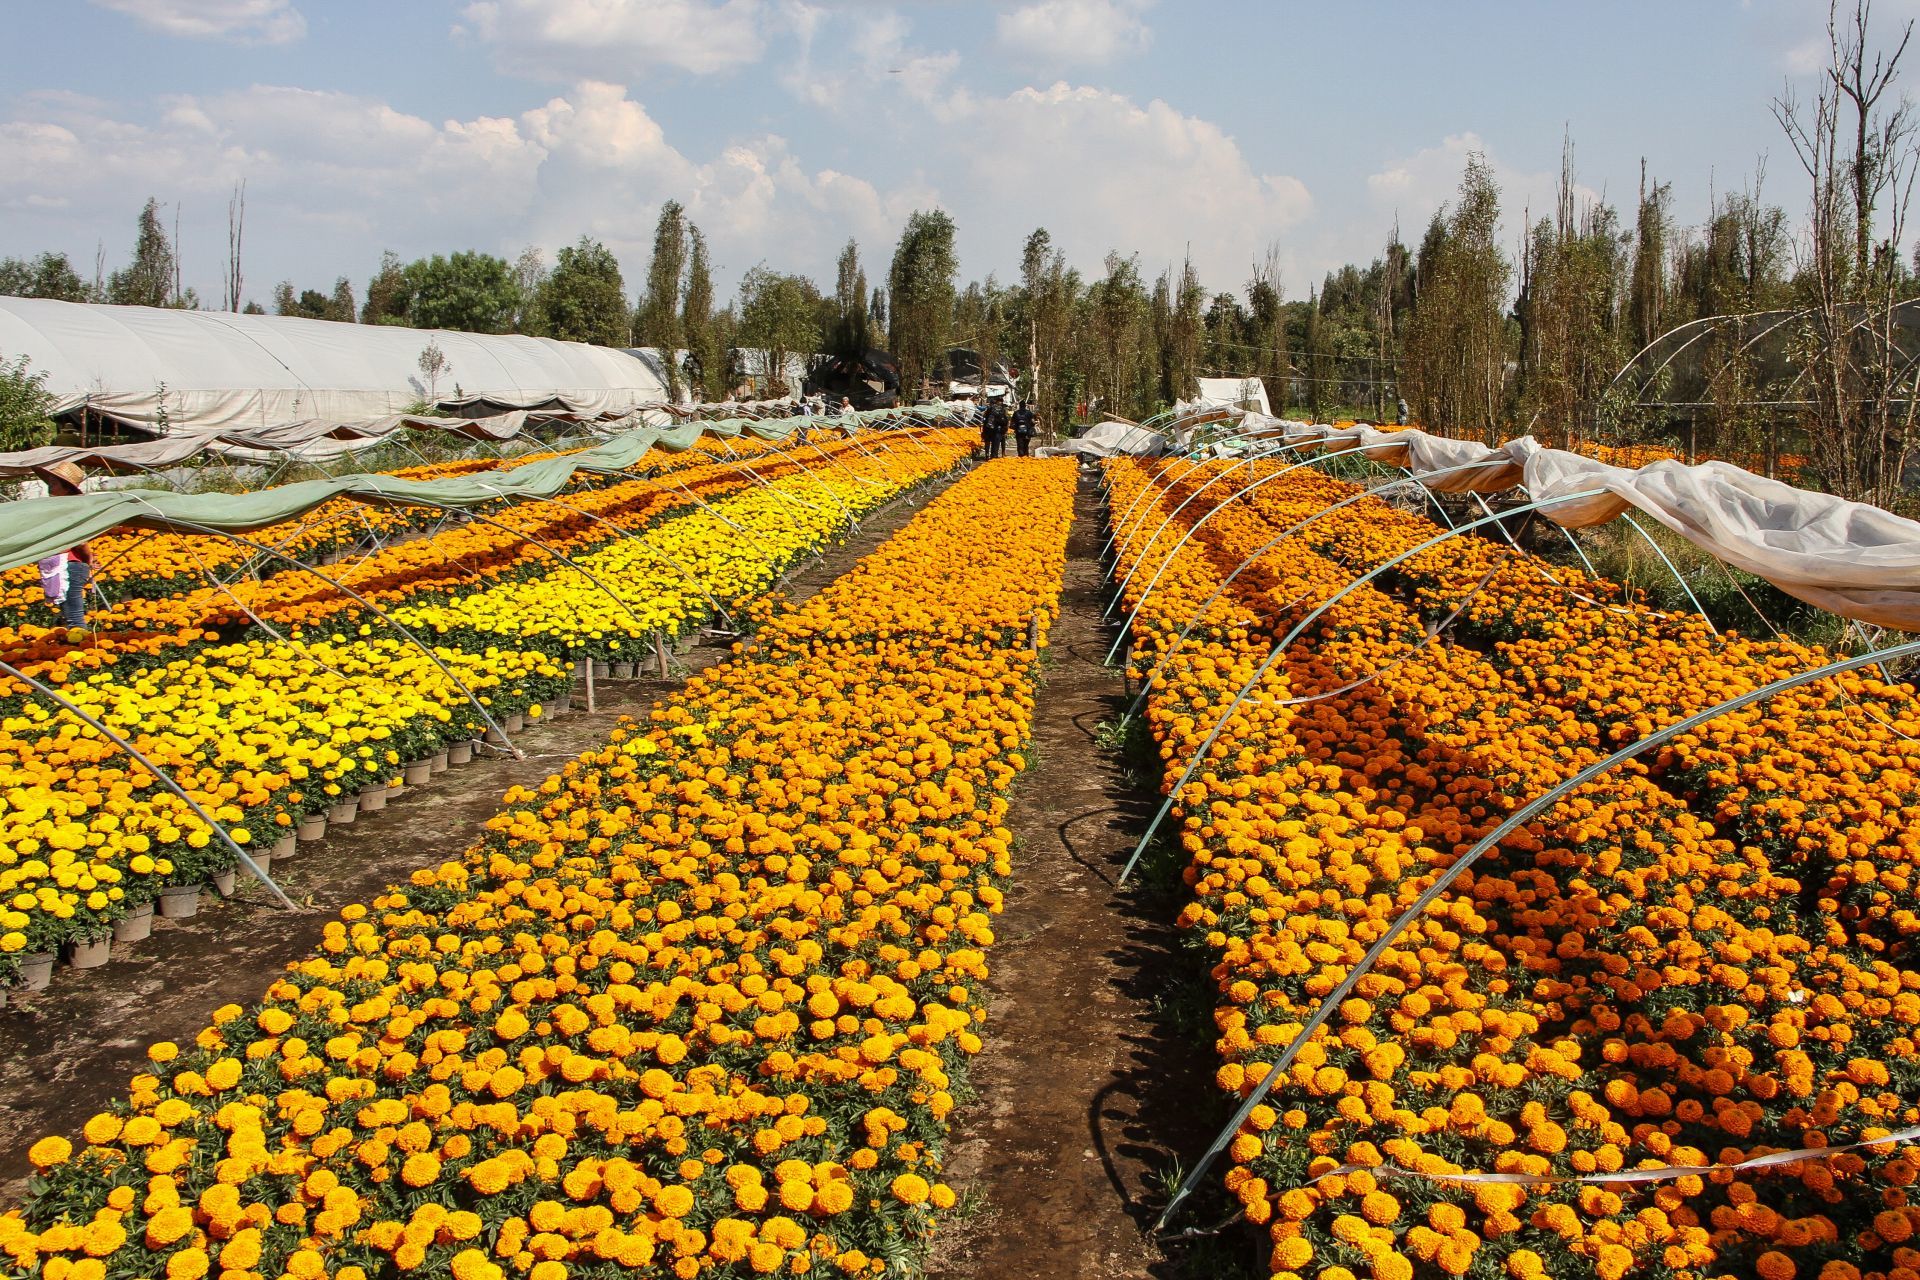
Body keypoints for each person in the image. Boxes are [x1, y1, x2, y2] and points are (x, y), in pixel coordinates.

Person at [36, 461, 92, 631]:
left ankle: (84, 652)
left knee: (74, 617)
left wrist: (89, 559)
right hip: (61, 565)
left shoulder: (71, 508)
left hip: (70, 566)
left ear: (67, 488)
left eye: (54, 483)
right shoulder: (57, 508)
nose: (49, 486)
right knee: (69, 616)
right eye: (50, 482)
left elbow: (80, 540)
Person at [980, 395, 1009, 460]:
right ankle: (994, 455)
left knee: (987, 442)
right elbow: (1006, 420)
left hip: (989, 428)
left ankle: (987, 455)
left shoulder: (990, 408)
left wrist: (984, 428)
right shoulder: (1003, 409)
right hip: (998, 428)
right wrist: (1005, 429)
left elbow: (985, 418)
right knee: (996, 443)